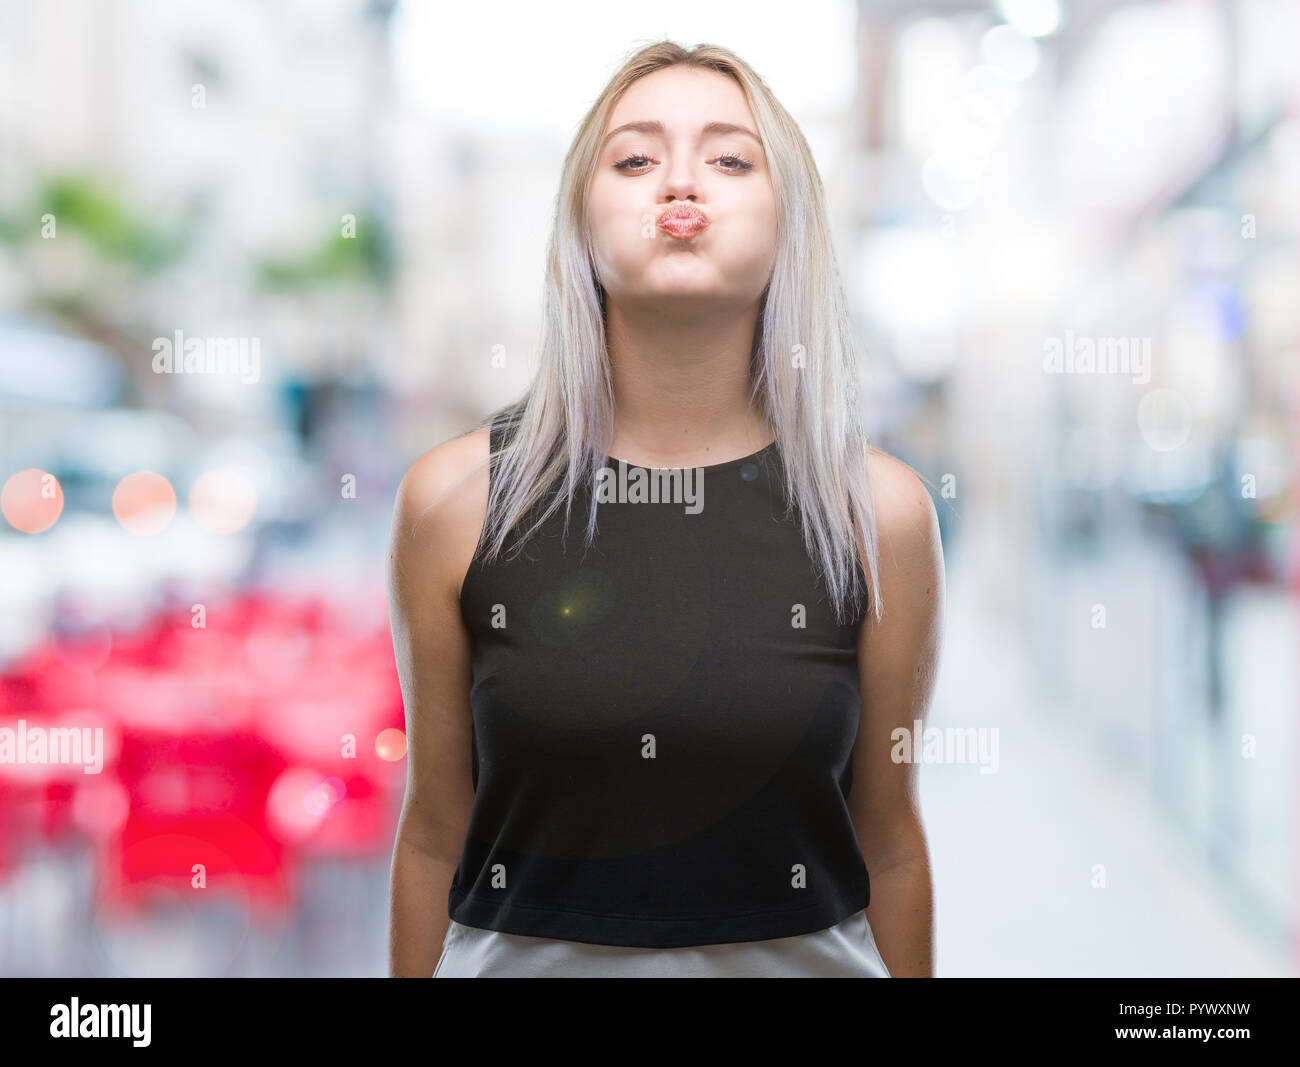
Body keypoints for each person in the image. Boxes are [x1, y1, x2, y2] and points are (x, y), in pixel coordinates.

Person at [387, 39, 944, 978]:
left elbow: (889, 842)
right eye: (636, 158)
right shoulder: (455, 501)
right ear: (580, 221)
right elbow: (433, 834)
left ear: (787, 222)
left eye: (730, 159)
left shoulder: (876, 513)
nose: (680, 181)